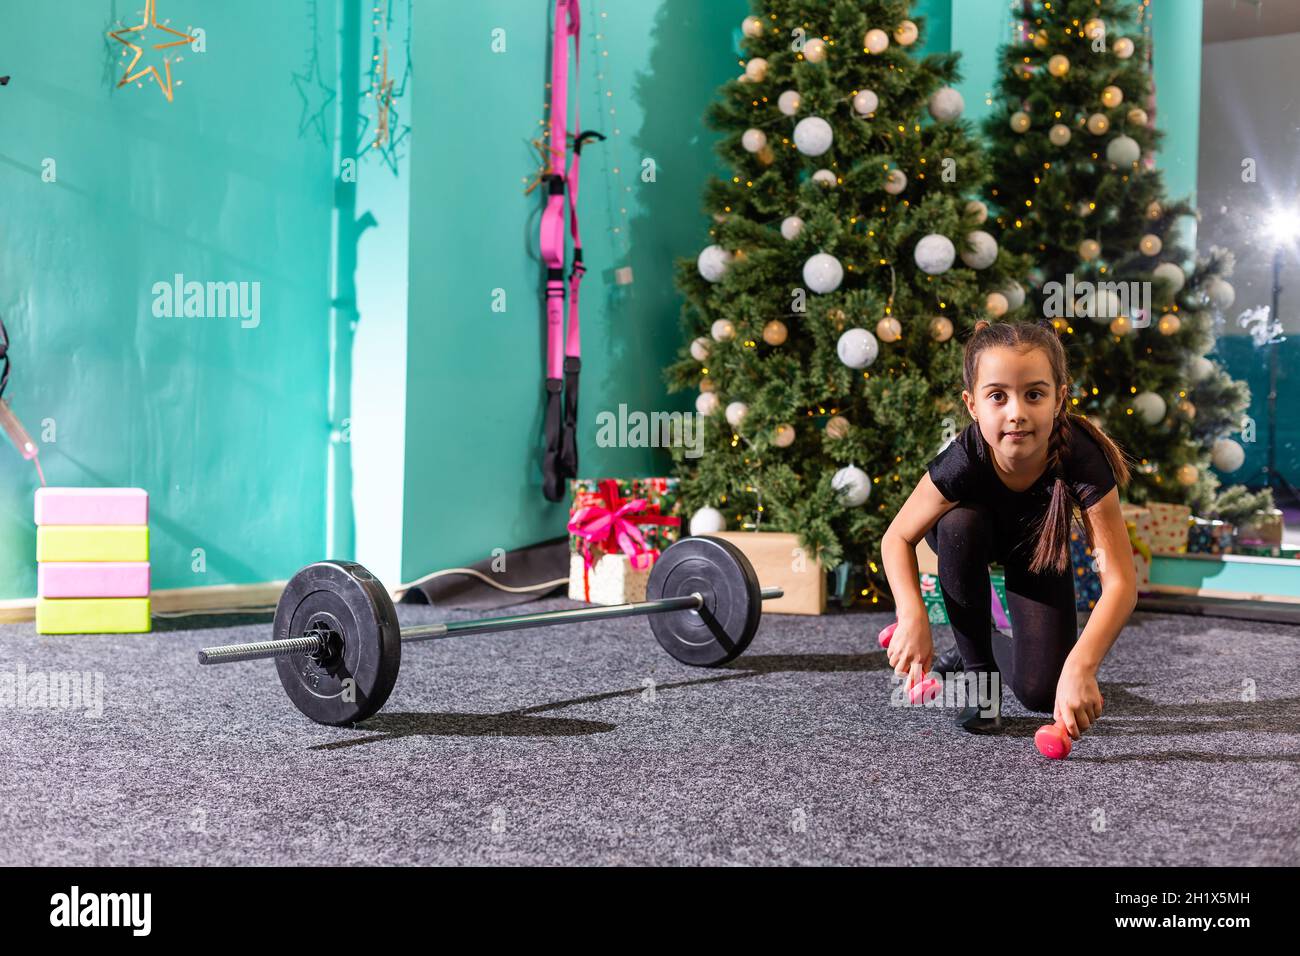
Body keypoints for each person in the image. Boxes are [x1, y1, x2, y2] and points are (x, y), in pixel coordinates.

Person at [880, 319, 1138, 737]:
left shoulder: (1082, 458)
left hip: (1035, 547)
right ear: (972, 404)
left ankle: (976, 646)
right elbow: (897, 537)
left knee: (1040, 693)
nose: (1016, 413)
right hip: (966, 538)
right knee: (962, 523)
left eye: (1034, 394)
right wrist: (912, 616)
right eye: (997, 396)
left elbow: (1121, 583)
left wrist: (1080, 665)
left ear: (1059, 399)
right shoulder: (965, 457)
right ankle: (981, 680)